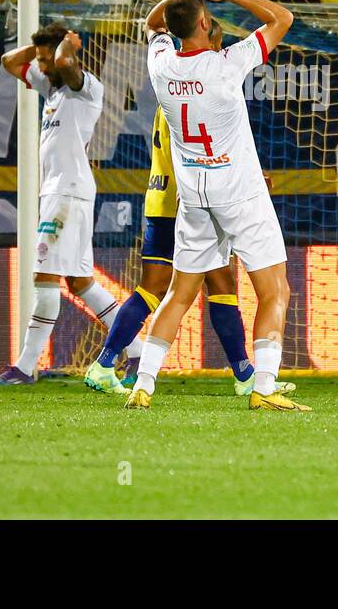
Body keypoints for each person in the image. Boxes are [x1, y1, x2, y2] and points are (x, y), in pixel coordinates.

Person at [81, 20, 296, 398]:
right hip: (188, 198)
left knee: (194, 288)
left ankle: (173, 378)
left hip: (185, 196)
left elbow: (153, 29)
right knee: (164, 287)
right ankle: (107, 361)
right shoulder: (213, 77)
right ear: (205, 34)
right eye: (218, 35)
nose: (222, 41)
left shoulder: (166, 76)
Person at [127, 0, 307, 411]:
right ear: (206, 21)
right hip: (240, 194)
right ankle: (263, 388)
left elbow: (154, 25)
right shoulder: (228, 63)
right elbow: (283, 17)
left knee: (178, 293)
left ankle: (143, 385)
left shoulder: (161, 63)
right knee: (274, 290)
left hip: (194, 197)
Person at [0, 24, 132, 385]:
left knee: (44, 277)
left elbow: (65, 60)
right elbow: (7, 61)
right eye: (41, 61)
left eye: (47, 61)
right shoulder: (51, 89)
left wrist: (64, 44)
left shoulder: (86, 88)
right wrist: (39, 47)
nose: (43, 67)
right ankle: (139, 352)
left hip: (66, 193)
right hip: (65, 193)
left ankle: (23, 367)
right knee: (82, 283)